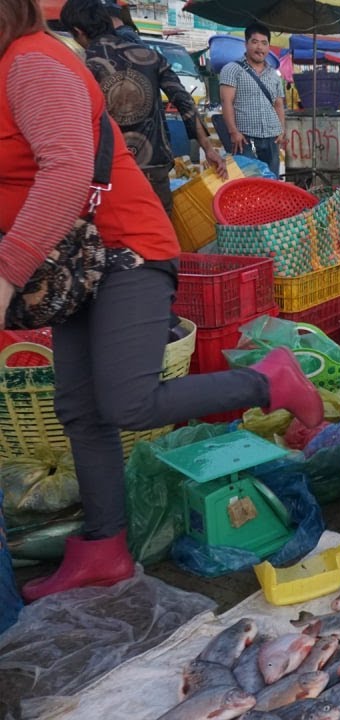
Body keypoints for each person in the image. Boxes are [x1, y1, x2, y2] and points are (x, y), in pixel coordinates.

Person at [1, 0, 323, 600]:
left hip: (127, 250)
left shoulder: (32, 63)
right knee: (80, 408)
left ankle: (268, 380)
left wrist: (5, 275)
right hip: (72, 260)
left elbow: (67, 171)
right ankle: (105, 546)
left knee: (128, 400)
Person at [60, 0, 225, 213]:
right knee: (159, 225)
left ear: (78, 31)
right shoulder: (150, 56)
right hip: (154, 164)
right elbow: (183, 100)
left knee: (116, 229)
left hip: (107, 168)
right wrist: (208, 148)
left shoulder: (79, 65)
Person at [219, 22, 286, 171]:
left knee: (271, 180)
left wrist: (282, 130)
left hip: (272, 137)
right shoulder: (232, 69)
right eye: (255, 42)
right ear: (246, 44)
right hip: (245, 138)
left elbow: (278, 104)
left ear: (268, 47)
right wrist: (233, 132)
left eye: (264, 43)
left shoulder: (274, 74)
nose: (259, 47)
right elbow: (226, 102)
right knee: (249, 179)